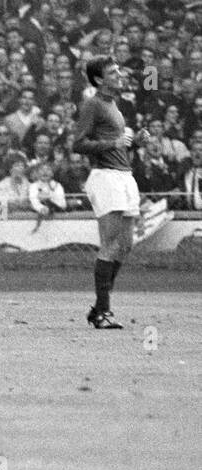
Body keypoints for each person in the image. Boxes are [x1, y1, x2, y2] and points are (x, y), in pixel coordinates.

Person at [71, 56, 152, 329]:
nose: (119, 75)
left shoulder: (113, 105)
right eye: (113, 72)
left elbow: (115, 145)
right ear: (98, 79)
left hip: (123, 175)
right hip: (105, 177)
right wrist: (113, 142)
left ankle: (99, 307)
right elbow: (78, 144)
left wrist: (135, 143)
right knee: (110, 243)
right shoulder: (92, 104)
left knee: (126, 244)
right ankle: (104, 311)